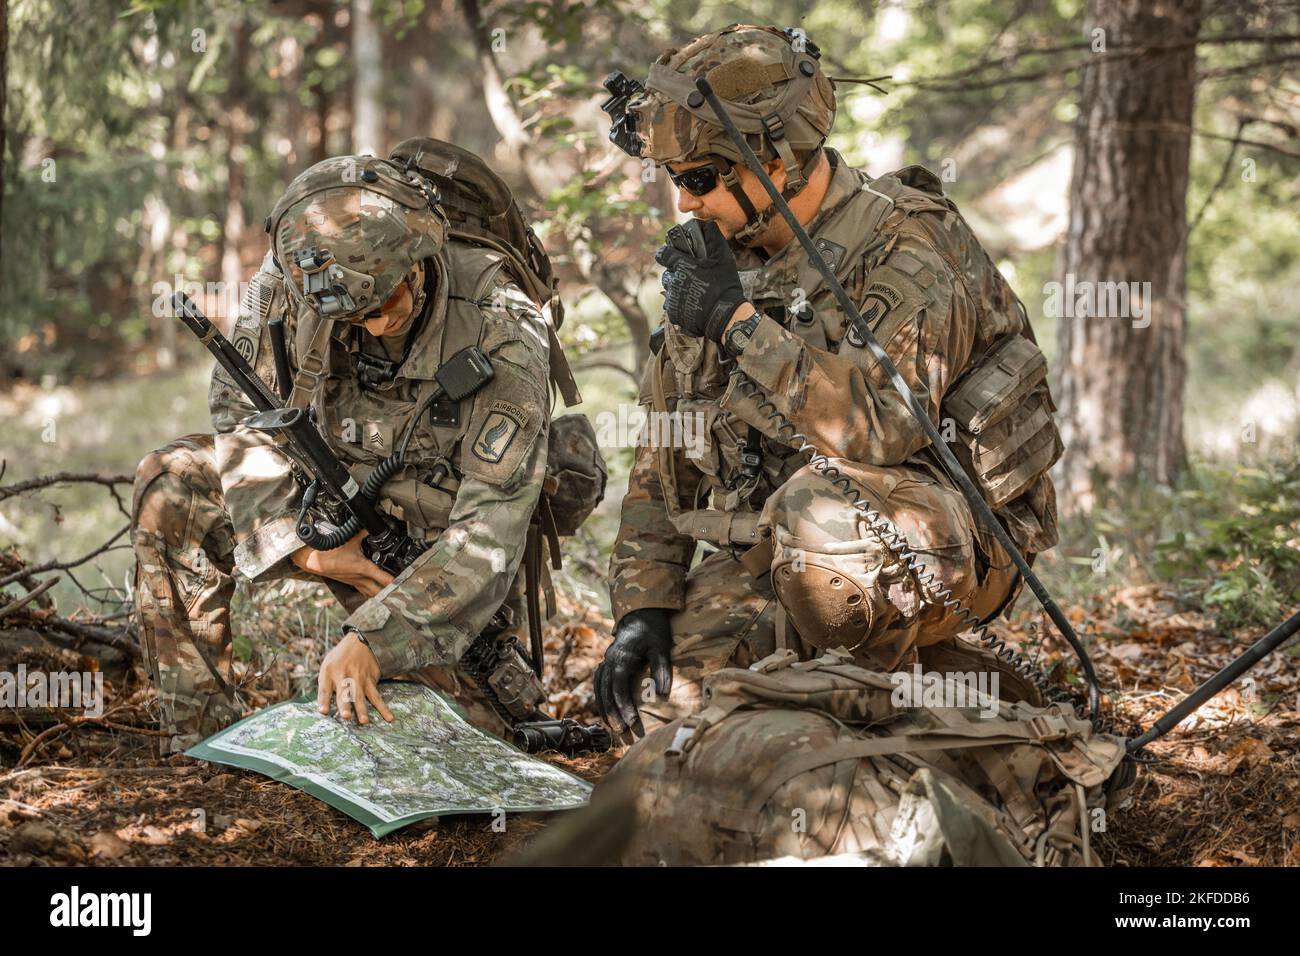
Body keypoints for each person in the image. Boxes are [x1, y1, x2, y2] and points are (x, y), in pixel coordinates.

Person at [595, 24, 1063, 738]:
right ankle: (911, 691)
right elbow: (665, 448)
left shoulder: (905, 244)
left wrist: (740, 324)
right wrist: (642, 607)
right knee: (663, 716)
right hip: (784, 554)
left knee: (824, 525)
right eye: (671, 179)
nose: (684, 203)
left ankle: (934, 713)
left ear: (777, 160)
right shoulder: (722, 260)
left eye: (698, 179)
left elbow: (883, 425)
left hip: (945, 542)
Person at [132, 149, 580, 752]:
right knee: (172, 482)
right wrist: (300, 544)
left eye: (382, 308)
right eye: (351, 316)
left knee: (459, 748)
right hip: (323, 509)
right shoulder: (298, 277)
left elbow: (488, 530)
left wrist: (375, 636)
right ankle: (200, 742)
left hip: (435, 557)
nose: (368, 328)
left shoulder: (502, 327)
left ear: (419, 265)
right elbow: (242, 413)